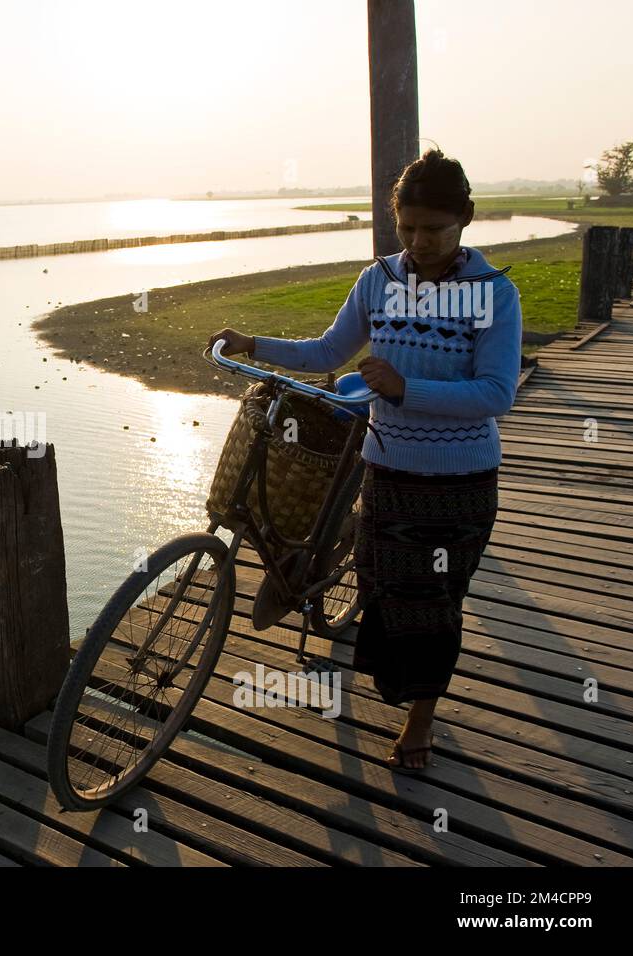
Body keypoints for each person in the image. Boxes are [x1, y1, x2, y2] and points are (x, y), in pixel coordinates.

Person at [208, 148, 521, 772]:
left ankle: (421, 721)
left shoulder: (493, 294)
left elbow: (497, 394)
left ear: (465, 220)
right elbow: (327, 347)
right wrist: (253, 343)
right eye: (407, 227)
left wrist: (407, 388)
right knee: (382, 588)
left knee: (435, 603)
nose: (419, 240)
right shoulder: (377, 279)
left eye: (433, 227)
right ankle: (395, 679)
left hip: (459, 483)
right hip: (387, 471)